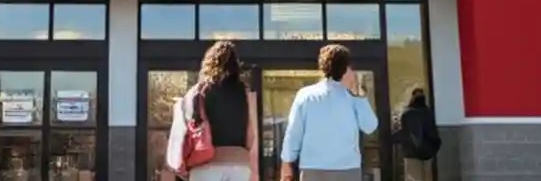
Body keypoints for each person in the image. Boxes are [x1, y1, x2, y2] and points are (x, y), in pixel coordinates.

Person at [280, 44, 378, 181]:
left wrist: (287, 163)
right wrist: (358, 92)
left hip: (313, 169)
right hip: (348, 169)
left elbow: (293, 133)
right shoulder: (353, 97)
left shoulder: (305, 95)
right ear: (346, 68)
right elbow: (370, 126)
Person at [170, 40, 257, 181]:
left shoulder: (198, 92)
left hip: (205, 164)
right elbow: (251, 137)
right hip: (239, 166)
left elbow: (185, 131)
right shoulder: (245, 93)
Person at [391, 88, 440, 181]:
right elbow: (433, 133)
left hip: (411, 153)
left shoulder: (407, 114)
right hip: (427, 153)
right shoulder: (429, 113)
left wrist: (392, 138)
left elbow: (405, 132)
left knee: (413, 178)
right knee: (427, 177)